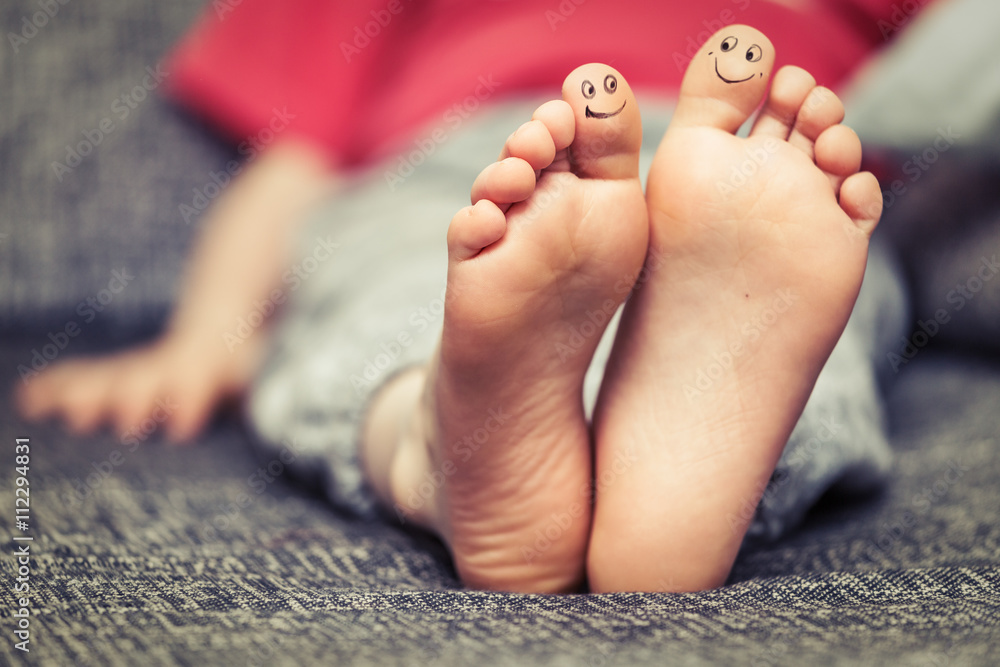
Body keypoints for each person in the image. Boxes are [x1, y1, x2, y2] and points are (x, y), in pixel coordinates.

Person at [16, 1, 918, 593]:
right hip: (532, 167)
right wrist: (208, 336)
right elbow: (292, 165)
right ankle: (659, 497)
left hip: (738, 186)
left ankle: (436, 446)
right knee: (468, 278)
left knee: (415, 301)